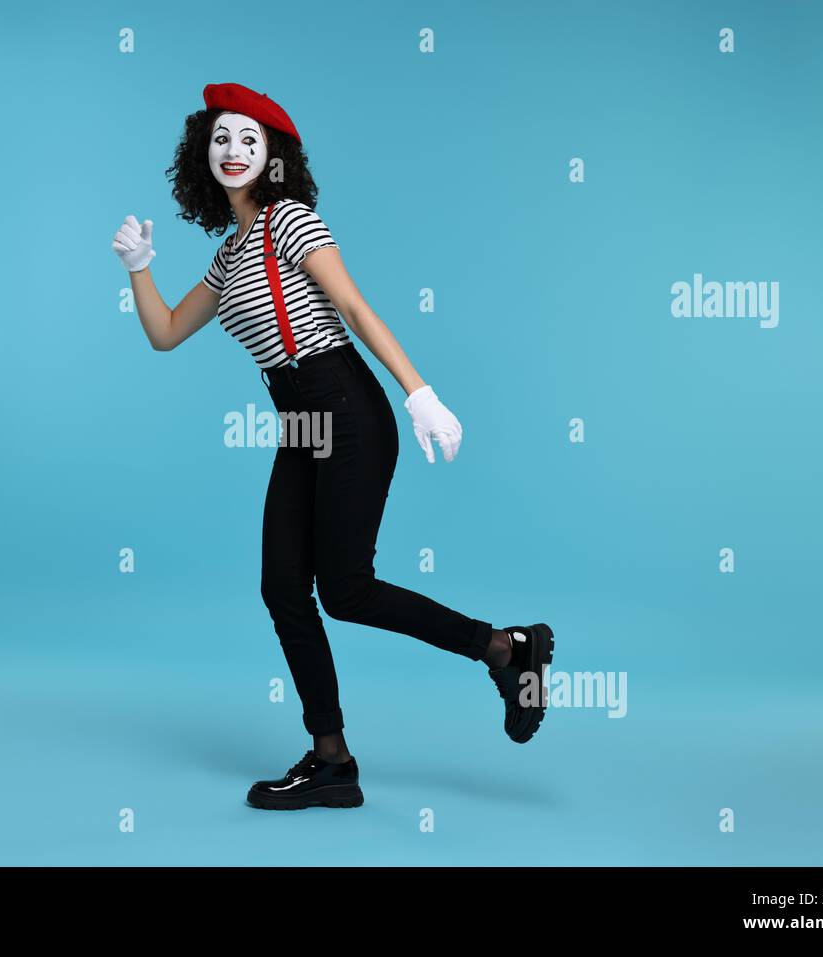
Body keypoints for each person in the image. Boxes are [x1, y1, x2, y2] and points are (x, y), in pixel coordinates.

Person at [112, 82, 555, 811]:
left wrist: (420, 392)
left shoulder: (289, 221)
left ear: (273, 156)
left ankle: (507, 648)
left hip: (345, 408)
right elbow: (163, 332)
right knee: (282, 587)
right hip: (297, 424)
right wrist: (138, 268)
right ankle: (332, 760)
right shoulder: (229, 258)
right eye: (221, 138)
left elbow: (351, 305)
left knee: (344, 589)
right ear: (202, 151)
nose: (233, 151)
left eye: (249, 140)